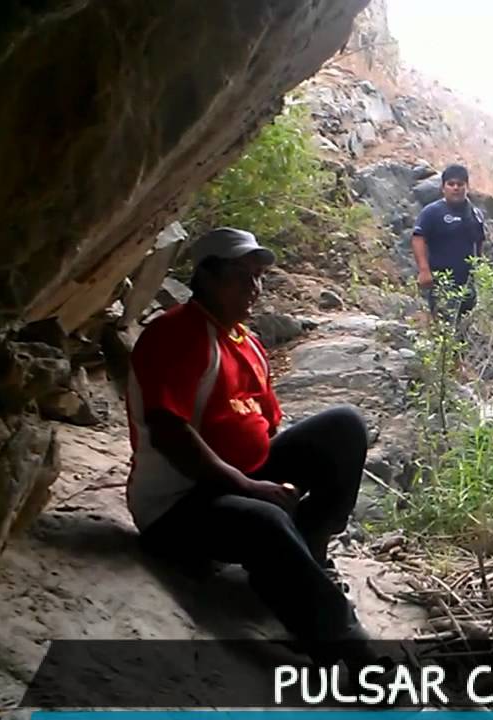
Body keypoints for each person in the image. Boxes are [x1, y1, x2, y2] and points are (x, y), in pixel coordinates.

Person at [125, 227, 374, 666]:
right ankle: (355, 657)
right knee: (265, 518)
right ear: (206, 277)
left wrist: (269, 480)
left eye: (259, 277)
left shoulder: (247, 342)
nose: (254, 288)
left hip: (236, 481)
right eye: (242, 276)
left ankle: (309, 552)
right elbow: (170, 432)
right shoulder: (177, 333)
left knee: (344, 426)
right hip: (178, 506)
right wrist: (252, 488)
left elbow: (267, 426)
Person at [410, 163, 486, 320]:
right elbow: (418, 238)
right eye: (451, 184)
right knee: (444, 326)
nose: (456, 188)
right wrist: (424, 271)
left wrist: (480, 273)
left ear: (467, 187)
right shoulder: (431, 212)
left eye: (460, 184)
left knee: (464, 329)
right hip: (441, 282)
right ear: (443, 188)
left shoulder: (475, 214)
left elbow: (479, 243)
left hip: (467, 284)